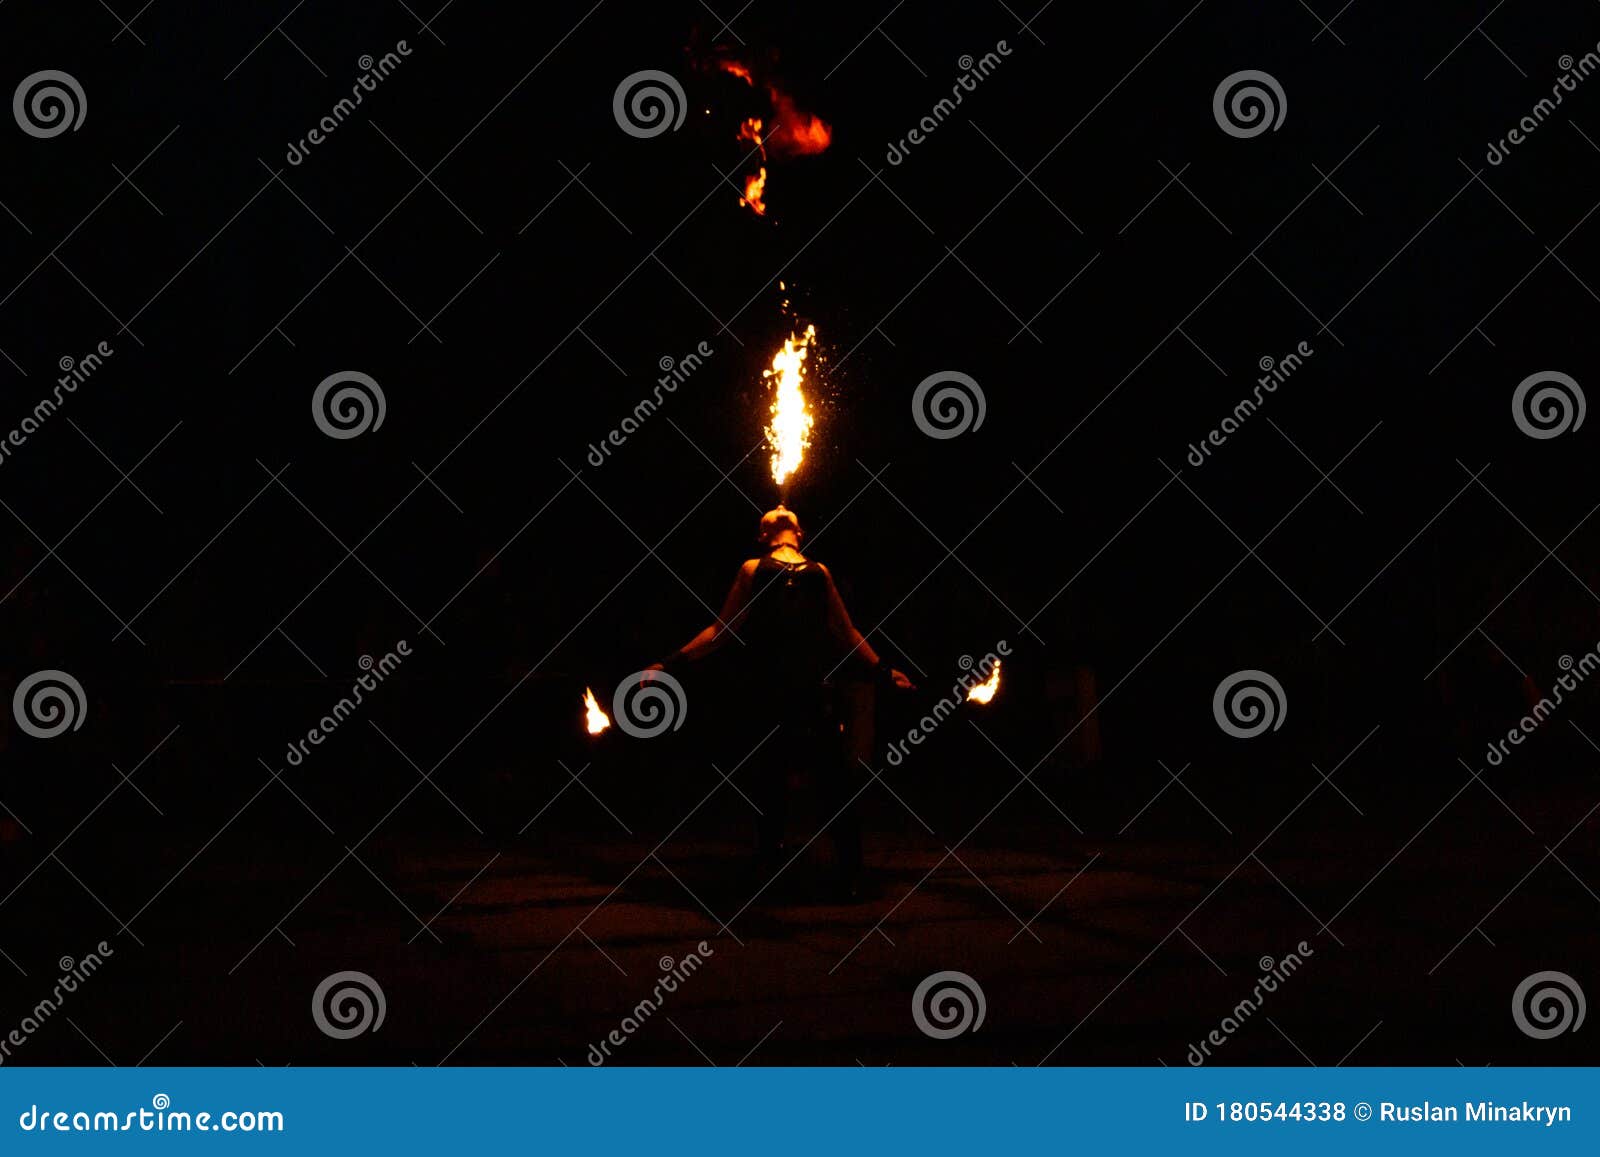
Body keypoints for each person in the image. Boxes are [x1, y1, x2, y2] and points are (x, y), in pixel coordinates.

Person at [645, 505, 912, 896]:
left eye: (786, 512)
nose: (781, 508)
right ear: (763, 533)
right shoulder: (753, 568)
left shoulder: (820, 572)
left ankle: (851, 873)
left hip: (812, 692)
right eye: (772, 513)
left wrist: (883, 671)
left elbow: (847, 631)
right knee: (769, 783)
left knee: (835, 782)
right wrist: (669, 662)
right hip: (768, 692)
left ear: (799, 532)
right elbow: (721, 630)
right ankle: (770, 871)